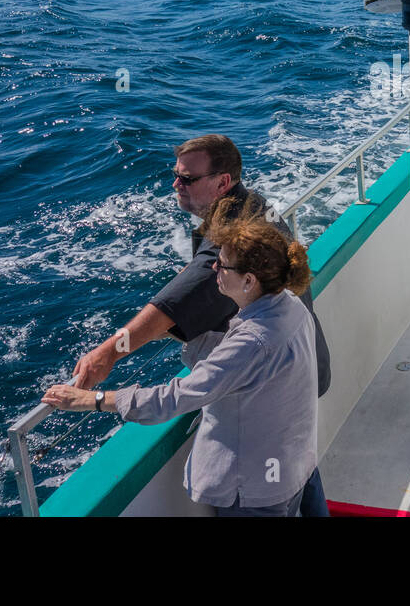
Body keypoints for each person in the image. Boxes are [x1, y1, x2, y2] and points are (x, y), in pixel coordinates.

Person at [71, 133, 331, 516]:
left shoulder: (251, 331)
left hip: (256, 483)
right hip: (298, 398)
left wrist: (107, 358)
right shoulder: (282, 289)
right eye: (175, 175)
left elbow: (174, 312)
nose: (175, 185)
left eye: (187, 178)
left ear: (223, 182)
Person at [45, 214, 317, 516]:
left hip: (253, 490)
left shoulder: (253, 342)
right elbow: (246, 361)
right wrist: (178, 334)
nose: (214, 267)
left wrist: (91, 400)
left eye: (222, 264)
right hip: (289, 469)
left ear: (249, 280)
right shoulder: (290, 304)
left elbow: (174, 398)